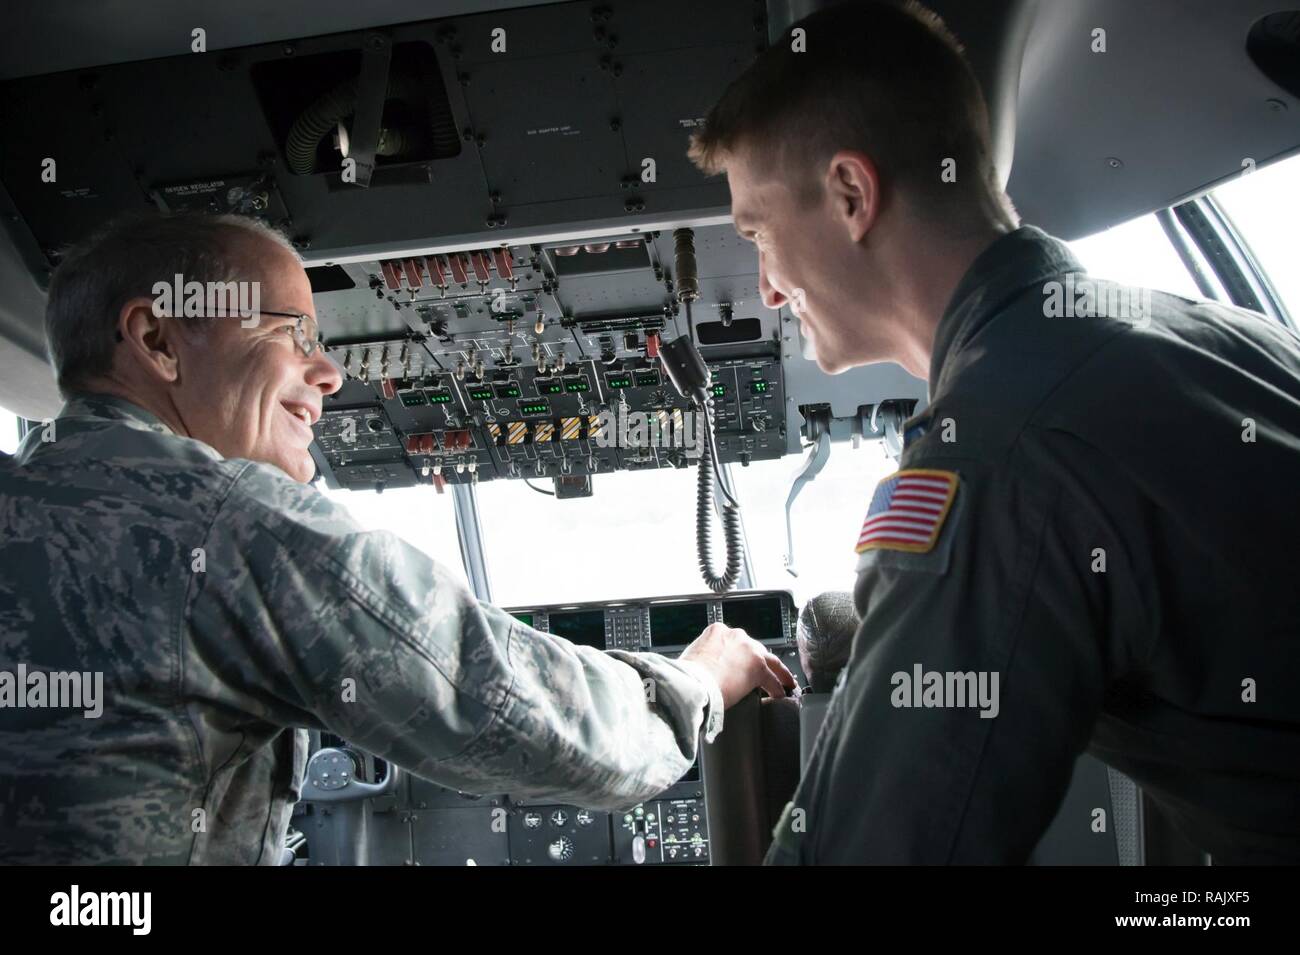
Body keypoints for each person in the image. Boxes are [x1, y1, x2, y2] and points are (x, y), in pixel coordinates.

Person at [688, 0, 1300, 863]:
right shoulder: (1192, 330)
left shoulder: (995, 454)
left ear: (852, 194)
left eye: (758, 232)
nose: (767, 291)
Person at [0, 212, 794, 864]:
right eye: (294, 335)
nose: (330, 374)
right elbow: (527, 715)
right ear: (157, 338)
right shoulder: (231, 521)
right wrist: (697, 682)